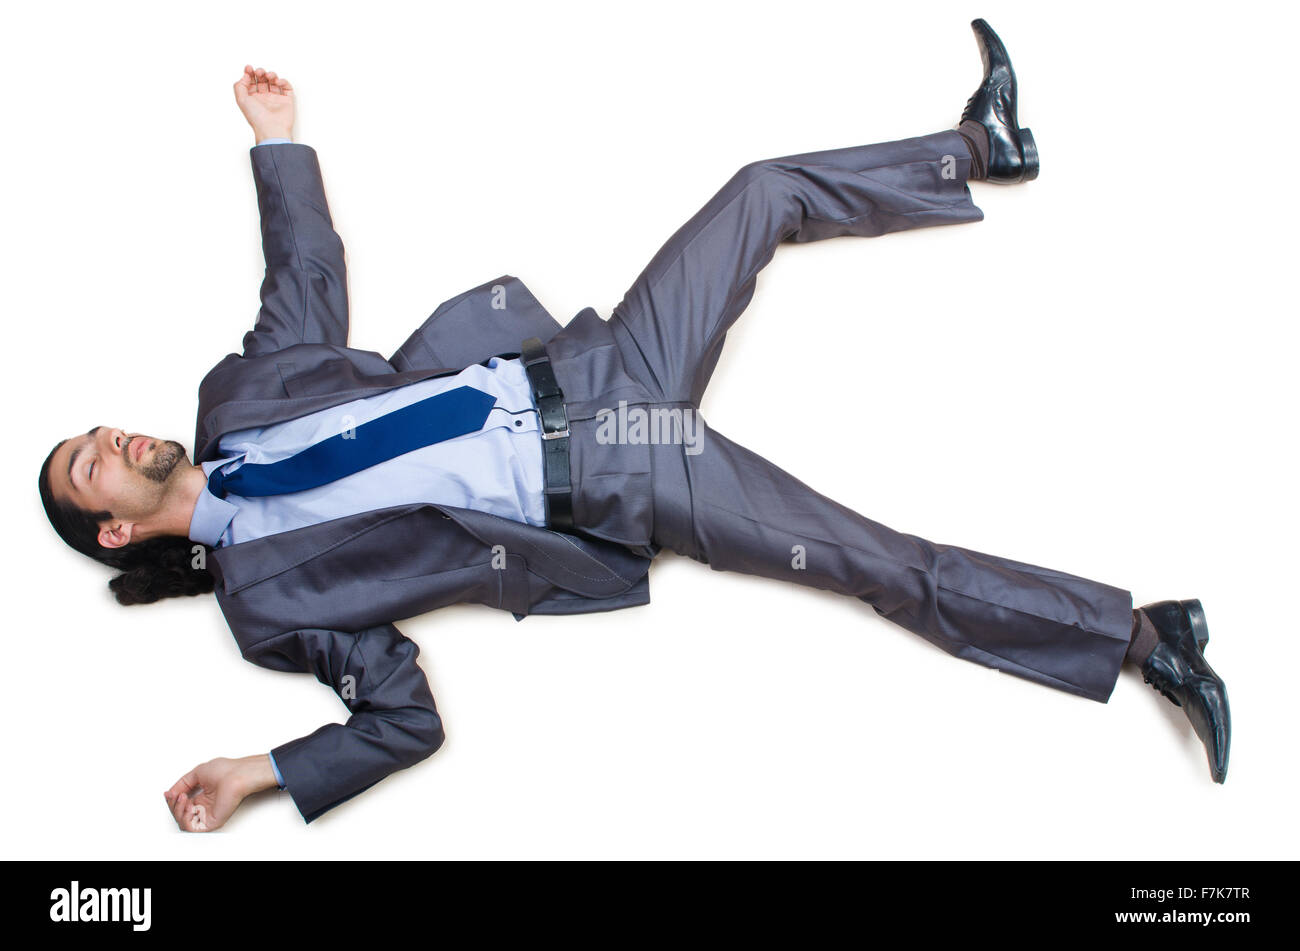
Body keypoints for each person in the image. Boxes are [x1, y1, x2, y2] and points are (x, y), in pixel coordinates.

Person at [38, 20, 1230, 833]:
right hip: (613, 476)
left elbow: (300, 282)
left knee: (762, 188)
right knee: (874, 560)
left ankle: (980, 146)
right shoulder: (267, 608)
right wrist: (262, 775)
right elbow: (400, 712)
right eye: (94, 463)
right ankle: (1138, 638)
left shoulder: (234, 402)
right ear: (112, 533)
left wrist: (276, 138)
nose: (119, 438)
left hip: (594, 365)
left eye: (102, 428)